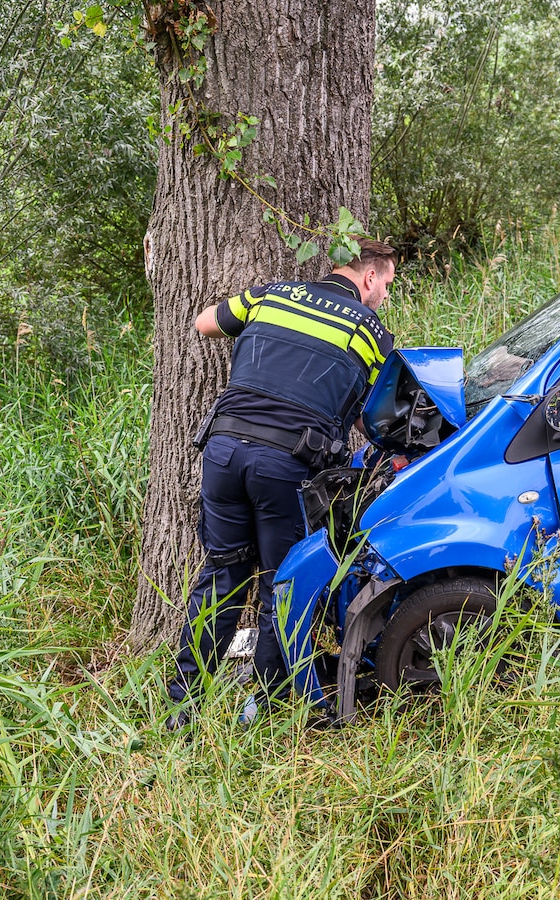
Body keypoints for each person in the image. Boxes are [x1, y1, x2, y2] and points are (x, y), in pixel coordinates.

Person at [166, 239, 398, 729]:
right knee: (281, 586)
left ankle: (182, 706)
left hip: (223, 451)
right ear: (370, 279)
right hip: (286, 465)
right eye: (387, 286)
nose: (384, 297)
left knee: (221, 575)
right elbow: (368, 415)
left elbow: (204, 322)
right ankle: (264, 709)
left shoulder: (270, 294)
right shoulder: (372, 333)